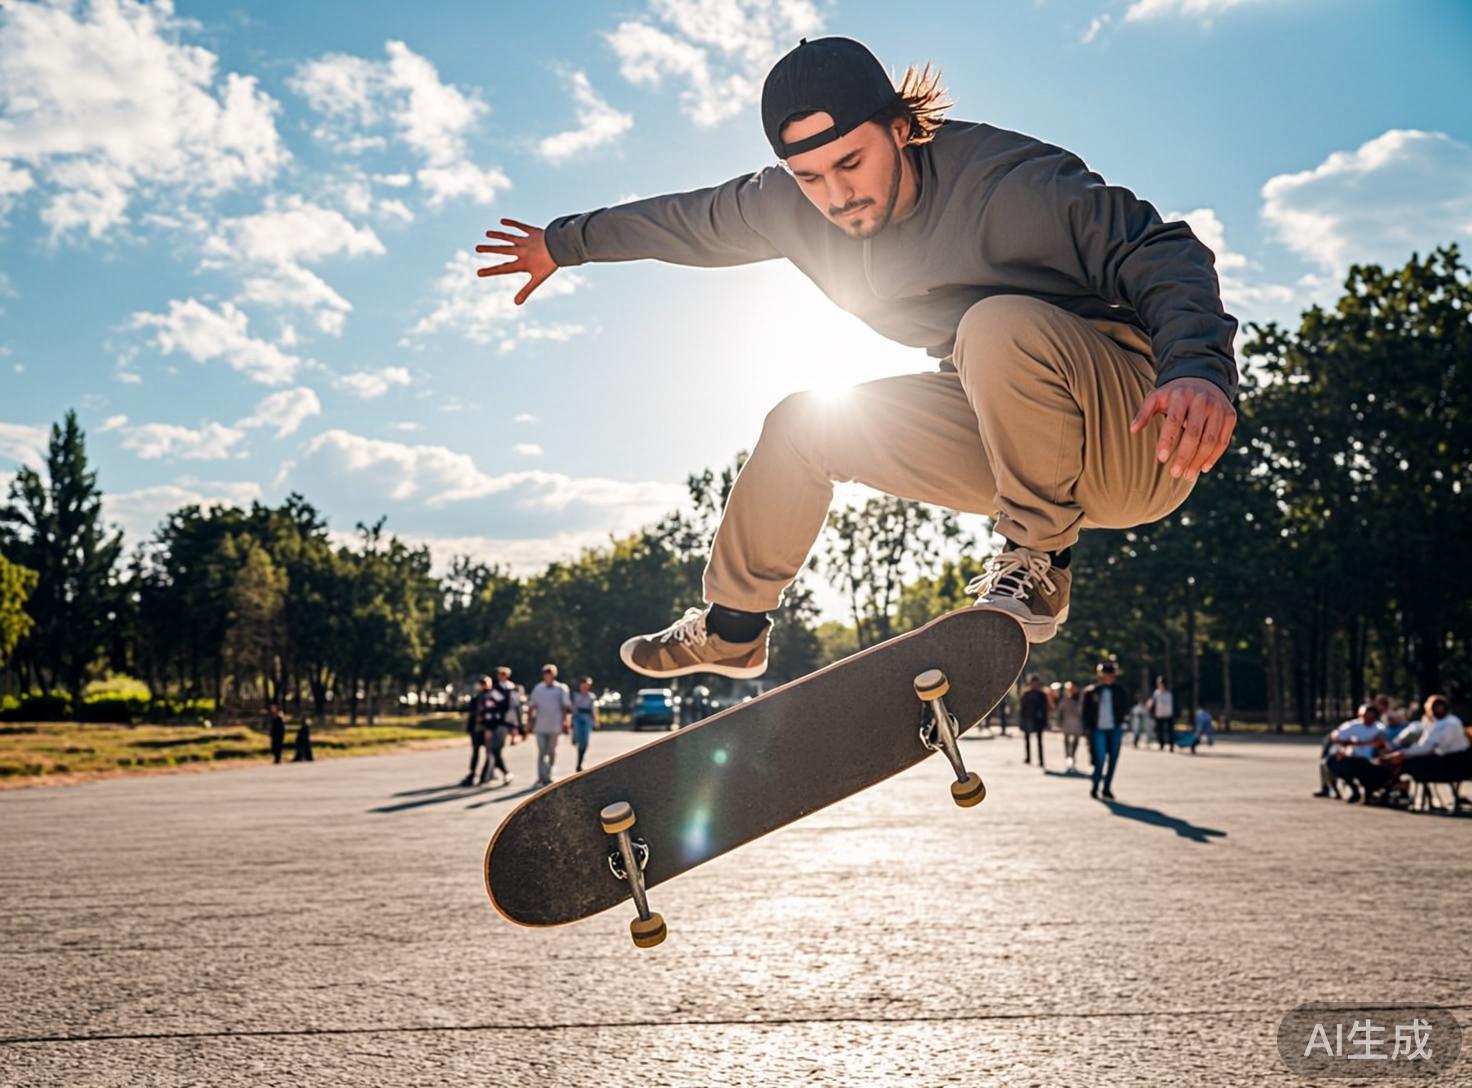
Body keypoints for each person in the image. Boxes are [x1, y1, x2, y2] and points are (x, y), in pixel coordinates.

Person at [476, 36, 1237, 678]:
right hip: (1008, 436)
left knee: (993, 324)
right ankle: (735, 630)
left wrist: (1196, 366)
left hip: (1138, 429)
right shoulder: (788, 206)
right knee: (807, 422)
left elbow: (1157, 248)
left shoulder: (1008, 181)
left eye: (851, 163)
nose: (836, 196)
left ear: (901, 128)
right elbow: (686, 220)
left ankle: (1037, 563)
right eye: (810, 178)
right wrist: (562, 244)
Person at [1313, 703, 1386, 803]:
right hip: (1352, 758)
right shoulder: (1353, 725)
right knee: (1331, 761)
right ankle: (1353, 789)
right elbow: (1335, 735)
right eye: (1364, 715)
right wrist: (1346, 744)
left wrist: (1357, 743)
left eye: (1370, 715)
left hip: (1369, 761)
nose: (1367, 717)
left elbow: (1381, 742)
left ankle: (1370, 794)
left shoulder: (1380, 728)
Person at [1082, 661, 1132, 800]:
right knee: (1100, 759)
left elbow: (1125, 709)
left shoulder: (1120, 691)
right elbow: (1085, 714)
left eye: (1111, 674)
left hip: (1115, 728)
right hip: (1098, 730)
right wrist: (1087, 731)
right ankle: (1095, 785)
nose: (1109, 677)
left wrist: (1123, 722)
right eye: (1106, 674)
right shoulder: (1092, 691)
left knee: (1113, 759)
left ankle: (1107, 788)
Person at [527, 664, 572, 787]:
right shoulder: (538, 688)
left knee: (551, 751)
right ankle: (542, 777)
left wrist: (566, 722)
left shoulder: (561, 688)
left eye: (550, 673)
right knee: (542, 751)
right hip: (540, 725)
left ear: (554, 674)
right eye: (546, 673)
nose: (548, 675)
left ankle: (549, 773)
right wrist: (529, 723)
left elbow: (566, 707)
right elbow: (532, 706)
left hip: (555, 725)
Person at [1018, 674, 1050, 769]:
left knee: (1039, 741)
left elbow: (1045, 709)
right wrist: (1022, 720)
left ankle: (1041, 760)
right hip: (1028, 719)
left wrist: (1045, 721)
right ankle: (1028, 757)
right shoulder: (1026, 694)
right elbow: (1022, 708)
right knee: (1027, 740)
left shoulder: (1042, 695)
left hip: (1039, 720)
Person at [1055, 681, 1085, 773]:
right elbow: (1060, 711)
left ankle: (1072, 757)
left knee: (1075, 742)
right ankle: (1068, 758)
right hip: (1067, 723)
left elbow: (1083, 711)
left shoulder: (1081, 698)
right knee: (1067, 742)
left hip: (1077, 723)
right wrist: (1059, 721)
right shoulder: (1065, 699)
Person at [571, 676, 600, 772]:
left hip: (587, 718)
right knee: (579, 739)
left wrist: (596, 720)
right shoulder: (575, 695)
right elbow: (572, 709)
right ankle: (575, 737)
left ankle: (580, 762)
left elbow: (594, 710)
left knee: (585, 743)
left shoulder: (591, 697)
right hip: (577, 718)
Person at [1147, 677, 1176, 752]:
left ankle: (1171, 745)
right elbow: (1152, 701)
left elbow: (1175, 703)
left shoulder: (1170, 692)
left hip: (1169, 714)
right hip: (1159, 714)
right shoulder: (1156, 693)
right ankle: (1161, 745)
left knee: (1170, 731)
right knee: (1160, 731)